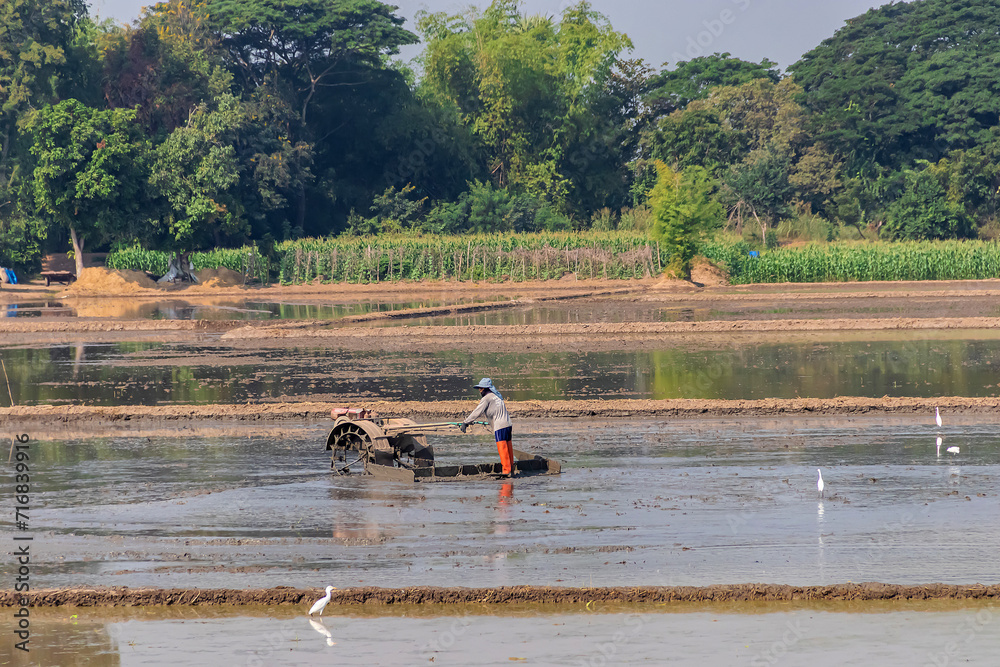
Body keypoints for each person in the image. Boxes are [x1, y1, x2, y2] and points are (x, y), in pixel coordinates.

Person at [462, 378, 514, 476]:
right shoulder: (497, 396)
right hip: (508, 424)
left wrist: (466, 422)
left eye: (481, 388)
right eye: (479, 388)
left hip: (500, 426)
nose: (480, 390)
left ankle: (506, 472)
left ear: (487, 388)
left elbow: (477, 411)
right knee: (508, 447)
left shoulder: (487, 398)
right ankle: (512, 469)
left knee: (502, 448)